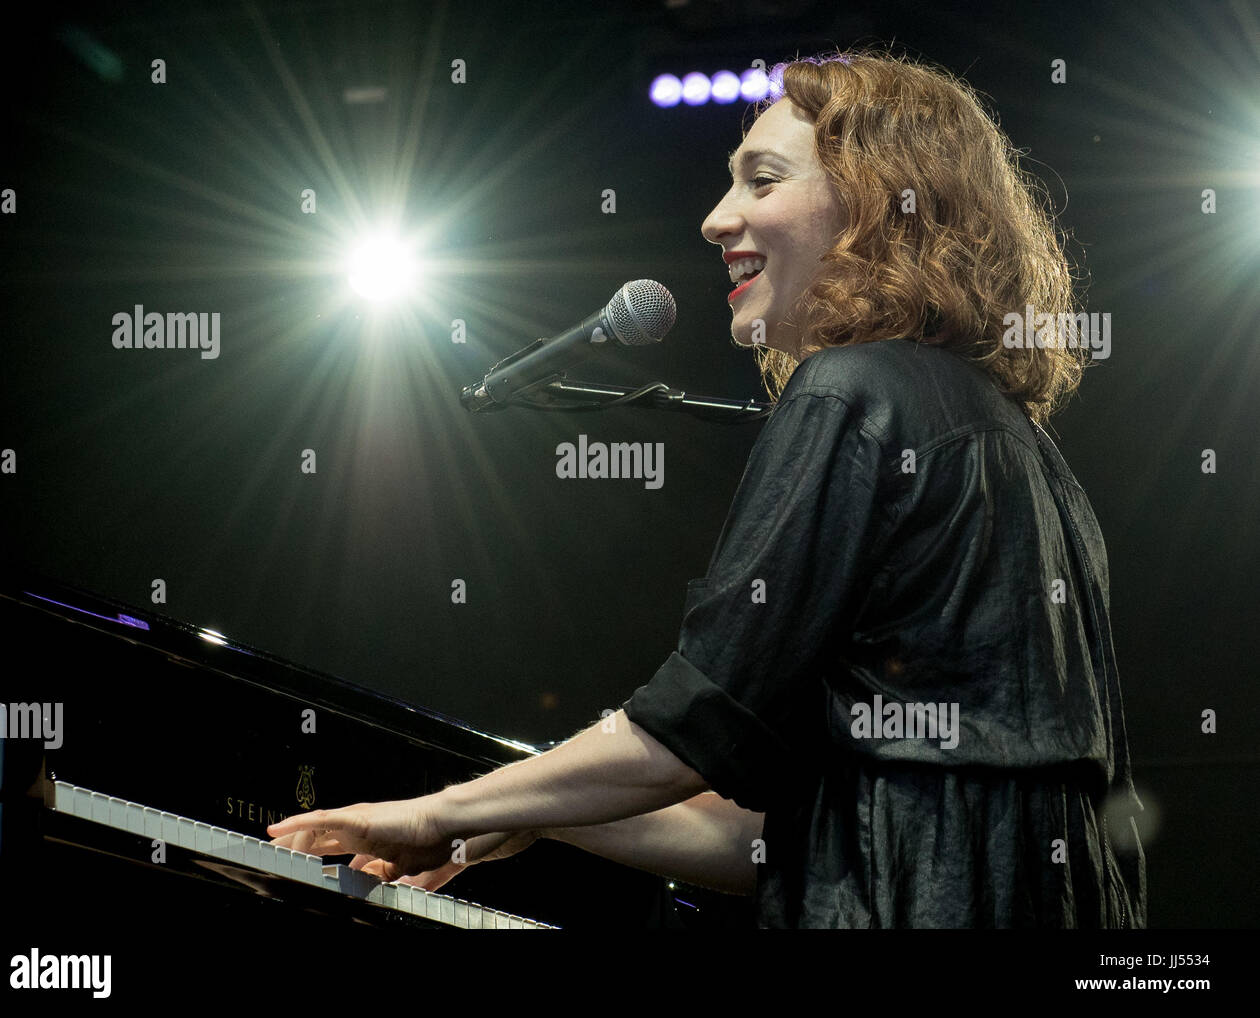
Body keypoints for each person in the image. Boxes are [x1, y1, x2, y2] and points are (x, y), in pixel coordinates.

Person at [268, 48, 1147, 928]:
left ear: (877, 199)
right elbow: (772, 837)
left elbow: (694, 719)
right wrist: (536, 813)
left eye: (762, 181)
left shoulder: (854, 389)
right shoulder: (1030, 453)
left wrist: (437, 810)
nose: (716, 219)